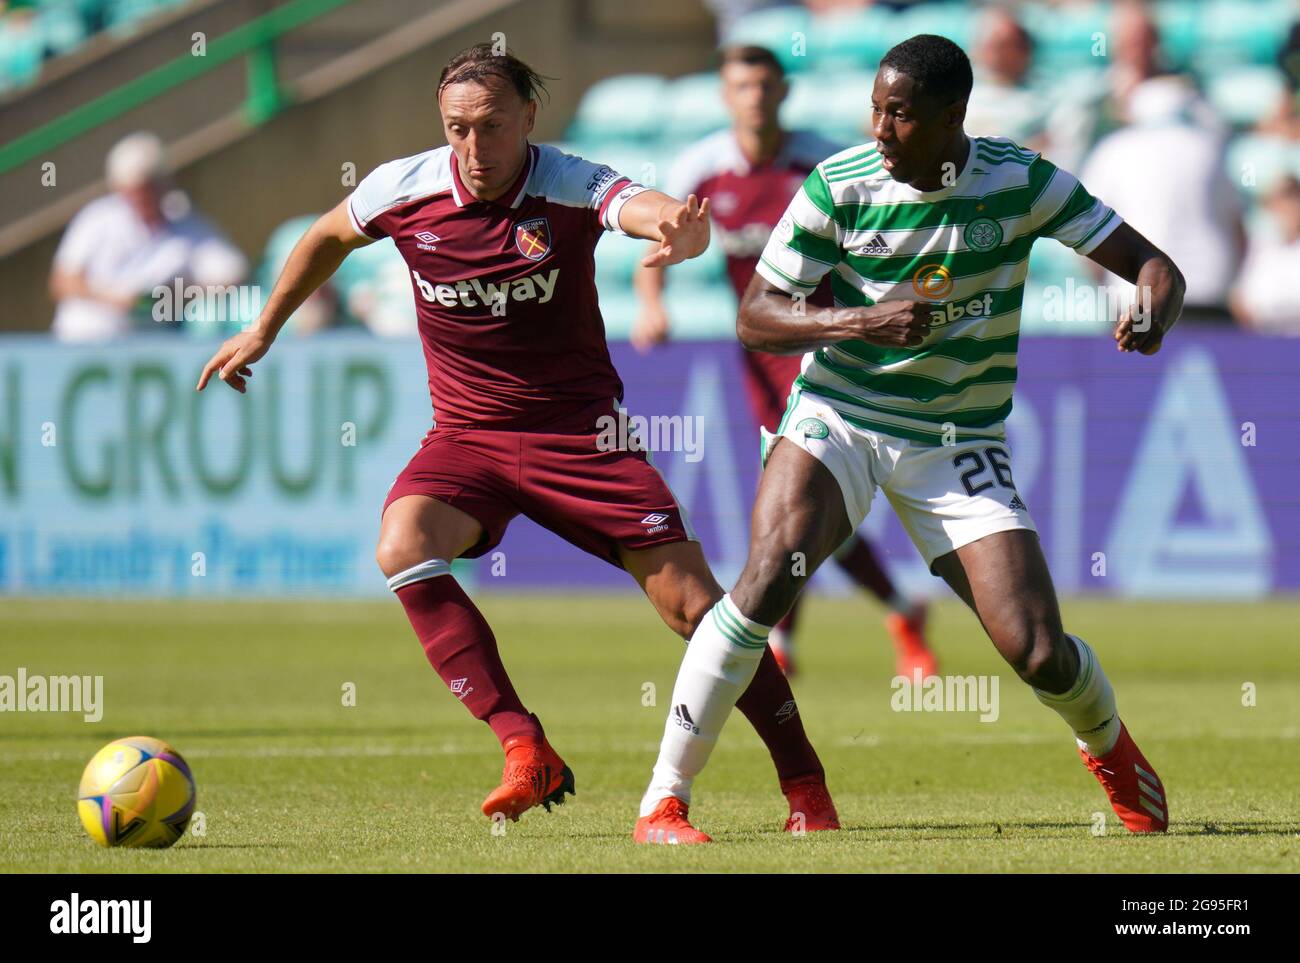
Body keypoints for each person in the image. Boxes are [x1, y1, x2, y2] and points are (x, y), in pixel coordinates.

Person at [196, 44, 839, 833]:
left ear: (528, 119)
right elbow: (328, 236)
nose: (473, 147)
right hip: (468, 436)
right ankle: (524, 745)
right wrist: (263, 327)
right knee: (402, 544)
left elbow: (641, 206)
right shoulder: (403, 188)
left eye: (491, 126)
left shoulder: (565, 181)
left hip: (580, 435)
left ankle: (806, 786)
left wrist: (681, 228)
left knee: (701, 612)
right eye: (457, 128)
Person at [635, 34, 1184, 844]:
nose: (882, 129)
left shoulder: (1021, 181)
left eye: (901, 114)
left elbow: (1153, 264)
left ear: (952, 116)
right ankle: (665, 799)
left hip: (955, 438)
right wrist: (860, 319)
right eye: (875, 109)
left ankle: (1109, 747)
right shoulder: (839, 185)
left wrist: (1151, 310)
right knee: (762, 579)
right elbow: (757, 316)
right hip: (840, 413)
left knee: (1036, 651)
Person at [632, 44, 936, 679]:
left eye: (766, 85)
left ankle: (783, 641)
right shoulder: (704, 168)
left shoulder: (819, 161)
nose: (756, 97)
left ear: (784, 91)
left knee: (790, 494)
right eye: (743, 86)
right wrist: (651, 305)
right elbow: (655, 233)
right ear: (726, 94)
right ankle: (899, 606)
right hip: (760, 349)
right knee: (803, 507)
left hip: (828, 345)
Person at [49, 131, 246, 341]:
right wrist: (115, 300)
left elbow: (233, 275)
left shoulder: (187, 223)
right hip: (84, 338)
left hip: (150, 346)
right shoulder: (96, 218)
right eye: (134, 191)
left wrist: (175, 297)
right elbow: (62, 281)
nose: (142, 198)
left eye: (149, 188)